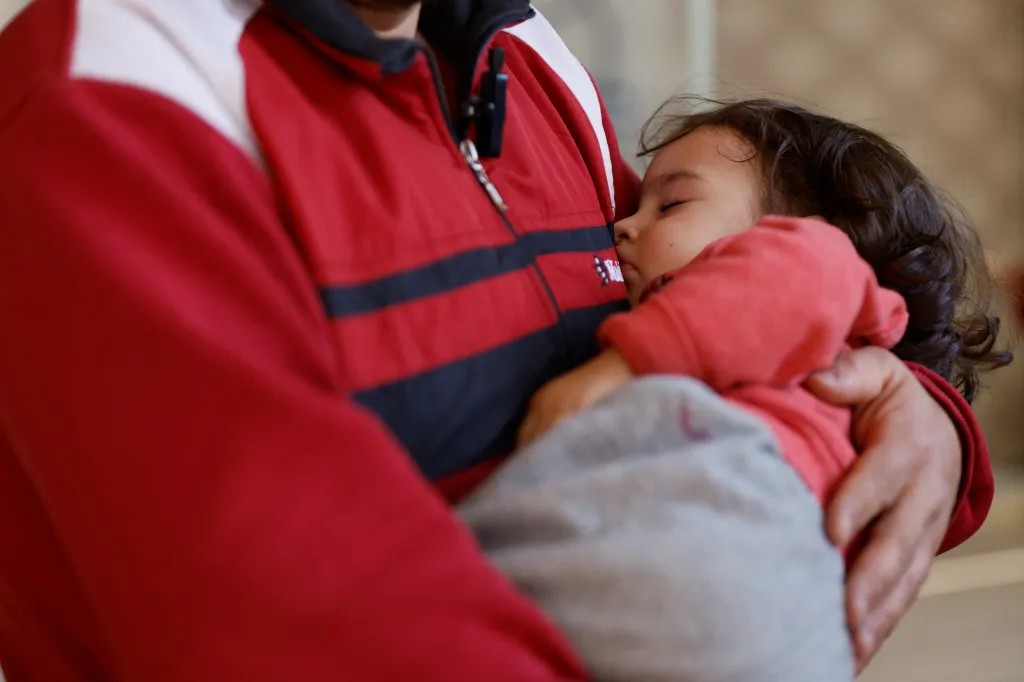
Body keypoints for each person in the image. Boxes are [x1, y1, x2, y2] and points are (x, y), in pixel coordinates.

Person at [0, 1, 994, 680]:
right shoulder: (117, 96)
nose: (629, 224)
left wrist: (914, 408)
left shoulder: (522, 50)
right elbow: (276, 619)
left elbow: (732, 286)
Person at [461, 98, 1012, 682]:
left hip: (722, 555)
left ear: (803, 231)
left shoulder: (809, 273)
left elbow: (803, 266)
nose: (622, 227)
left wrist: (618, 368)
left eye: (671, 205)